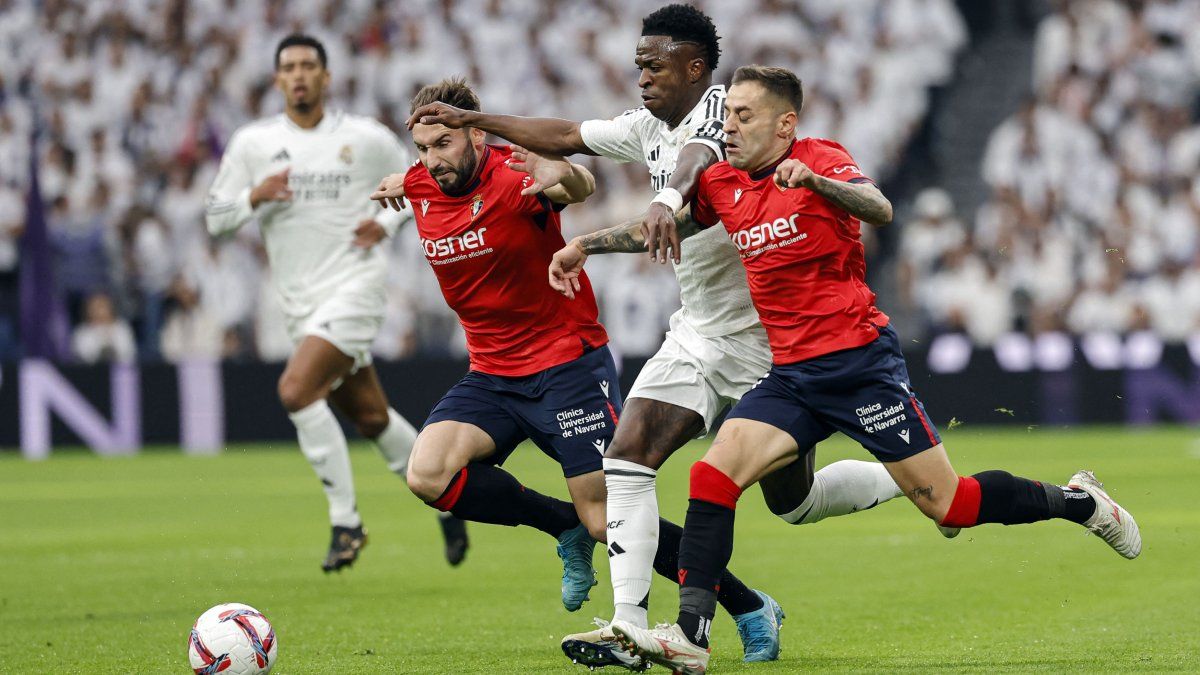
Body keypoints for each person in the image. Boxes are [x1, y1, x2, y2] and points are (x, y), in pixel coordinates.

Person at [600, 65, 1141, 675]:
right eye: (726, 116)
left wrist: (818, 184)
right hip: (791, 377)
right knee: (712, 477)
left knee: (953, 506)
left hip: (860, 367)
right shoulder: (723, 183)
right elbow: (665, 227)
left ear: (786, 125)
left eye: (743, 116)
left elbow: (879, 207)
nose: (728, 127)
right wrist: (583, 246)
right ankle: (691, 637)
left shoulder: (819, 157)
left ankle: (1080, 503)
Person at [406, 5, 903, 667]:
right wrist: (478, 121)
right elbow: (564, 132)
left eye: (654, 64)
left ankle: (901, 477)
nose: (641, 75)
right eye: (638, 63)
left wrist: (667, 199)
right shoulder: (645, 126)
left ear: (696, 68)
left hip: (770, 344)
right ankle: (629, 626)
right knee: (628, 456)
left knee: (796, 502)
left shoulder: (732, 116)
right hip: (697, 335)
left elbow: (698, 158)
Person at [373, 80, 778, 663]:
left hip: (566, 364)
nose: (433, 160)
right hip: (491, 374)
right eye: (422, 149)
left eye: (443, 143)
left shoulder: (515, 174)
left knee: (605, 518)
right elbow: (407, 182)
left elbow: (577, 181)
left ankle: (747, 604)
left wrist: (562, 177)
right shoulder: (422, 182)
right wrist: (390, 186)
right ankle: (557, 523)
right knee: (428, 475)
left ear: (476, 135)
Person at [205, 34, 468, 573]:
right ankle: (449, 499)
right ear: (277, 79)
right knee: (371, 415)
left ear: (326, 77)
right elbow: (215, 217)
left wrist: (386, 221)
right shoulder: (253, 143)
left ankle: (346, 521)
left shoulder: (365, 138)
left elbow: (422, 185)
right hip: (300, 304)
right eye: (288, 67)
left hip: (357, 286)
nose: (298, 75)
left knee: (296, 389)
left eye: (308, 66)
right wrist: (254, 197)